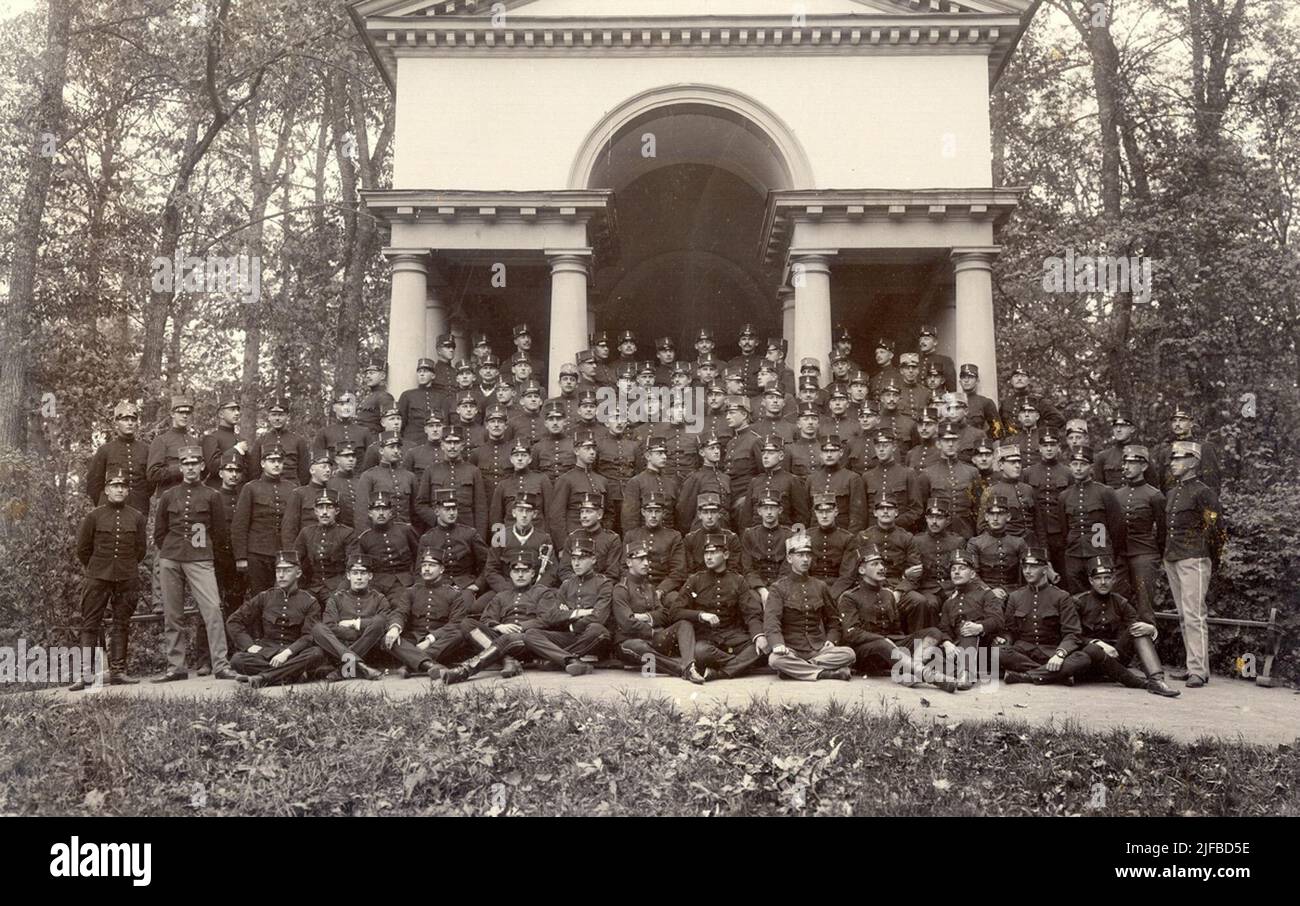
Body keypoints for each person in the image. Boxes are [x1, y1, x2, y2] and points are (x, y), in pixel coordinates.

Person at [152, 445, 239, 682]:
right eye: (186, 464)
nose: (190, 468)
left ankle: (220, 664)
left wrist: (209, 556)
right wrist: (171, 552)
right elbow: (159, 533)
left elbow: (220, 534)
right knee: (173, 614)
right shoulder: (169, 496)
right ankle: (175, 667)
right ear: (181, 467)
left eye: (194, 463)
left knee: (212, 610)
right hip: (171, 558)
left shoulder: (213, 496)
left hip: (201, 560)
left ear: (202, 466)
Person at [836, 544, 960, 692]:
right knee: (882, 644)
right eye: (875, 564)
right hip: (866, 654)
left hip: (891, 649)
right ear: (862, 570)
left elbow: (896, 629)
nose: (881, 567)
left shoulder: (888, 594)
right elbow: (851, 633)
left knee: (933, 632)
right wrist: (880, 639)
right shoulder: (849, 597)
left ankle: (910, 669)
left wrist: (907, 644)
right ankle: (931, 677)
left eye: (882, 563)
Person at [1057, 556, 1180, 696]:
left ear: (1114, 580)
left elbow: (1135, 626)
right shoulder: (1079, 602)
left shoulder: (1120, 602)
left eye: (1107, 578)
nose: (1103, 582)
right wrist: (1097, 643)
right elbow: (1071, 635)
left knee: (1138, 629)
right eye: (1098, 578)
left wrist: (1152, 630)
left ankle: (1157, 680)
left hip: (1116, 656)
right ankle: (1137, 682)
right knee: (1093, 649)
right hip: (1089, 660)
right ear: (1091, 581)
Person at [71, 469, 147, 689]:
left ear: (127, 490)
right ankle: (85, 674)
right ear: (106, 490)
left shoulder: (137, 517)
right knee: (89, 624)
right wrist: (98, 567)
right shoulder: (94, 516)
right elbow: (83, 549)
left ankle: (118, 671)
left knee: (121, 623)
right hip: (98, 576)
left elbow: (140, 550)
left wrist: (126, 566)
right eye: (115, 486)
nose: (119, 490)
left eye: (123, 486)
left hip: (126, 575)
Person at [1162, 441, 1226, 688]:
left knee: (1194, 614)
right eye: (1172, 459)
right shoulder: (1172, 493)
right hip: (1174, 557)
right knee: (1183, 615)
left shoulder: (1203, 492)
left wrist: (1210, 558)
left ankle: (1199, 670)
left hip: (1195, 558)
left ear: (1192, 463)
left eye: (1178, 459)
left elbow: (1216, 530)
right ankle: (1193, 668)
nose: (1173, 463)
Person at [440, 549, 546, 684]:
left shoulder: (542, 593)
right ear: (510, 574)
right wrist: (499, 626)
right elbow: (486, 619)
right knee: (467, 624)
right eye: (516, 571)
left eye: (525, 571)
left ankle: (465, 670)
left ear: (532, 573)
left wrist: (520, 627)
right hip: (501, 639)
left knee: (509, 638)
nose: (520, 575)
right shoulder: (502, 596)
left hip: (526, 640)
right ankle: (507, 659)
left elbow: (546, 619)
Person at [764, 531, 856, 681]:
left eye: (808, 555)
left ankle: (798, 669)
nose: (805, 559)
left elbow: (834, 620)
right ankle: (825, 673)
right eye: (800, 555)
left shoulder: (820, 586)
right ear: (789, 558)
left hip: (818, 649)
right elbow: (771, 621)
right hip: (791, 649)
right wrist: (778, 643)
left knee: (849, 654)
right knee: (775, 660)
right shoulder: (778, 588)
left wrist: (831, 640)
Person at [227, 550, 326, 688]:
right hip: (266, 652)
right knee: (237, 660)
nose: (281, 575)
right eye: (278, 570)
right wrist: (249, 646)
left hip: (293, 653)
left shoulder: (309, 602)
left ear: (298, 574)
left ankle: (264, 678)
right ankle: (290, 674)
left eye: (287, 571)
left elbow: (308, 636)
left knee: (316, 654)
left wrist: (286, 654)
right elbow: (234, 621)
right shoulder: (265, 597)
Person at [612, 540, 705, 683]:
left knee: (684, 624)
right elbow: (627, 624)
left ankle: (688, 664)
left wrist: (645, 617)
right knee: (638, 646)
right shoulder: (621, 589)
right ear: (629, 562)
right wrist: (652, 629)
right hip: (628, 642)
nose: (646, 563)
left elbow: (664, 615)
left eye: (647, 559)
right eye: (640, 559)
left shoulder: (649, 587)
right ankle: (682, 669)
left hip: (654, 638)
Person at [520, 537, 614, 675]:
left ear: (593, 559)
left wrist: (569, 621)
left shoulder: (604, 584)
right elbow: (553, 616)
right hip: (570, 636)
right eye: (573, 559)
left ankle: (555, 660)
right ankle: (571, 661)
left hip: (592, 638)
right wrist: (578, 613)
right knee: (531, 634)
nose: (576, 563)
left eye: (581, 559)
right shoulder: (567, 584)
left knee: (597, 629)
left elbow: (598, 617)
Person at [678, 534, 766, 681]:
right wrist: (700, 615)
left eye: (713, 552)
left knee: (762, 646)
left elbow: (751, 613)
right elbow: (676, 611)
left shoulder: (738, 580)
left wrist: (759, 635)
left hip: (733, 635)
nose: (708, 557)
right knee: (700, 652)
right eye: (706, 553)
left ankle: (719, 673)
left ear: (726, 554)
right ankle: (741, 664)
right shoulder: (695, 580)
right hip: (707, 638)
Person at [382, 548, 472, 678]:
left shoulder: (453, 594)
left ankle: (409, 665)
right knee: (389, 637)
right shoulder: (411, 592)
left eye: (432, 565)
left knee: (458, 634)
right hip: (413, 638)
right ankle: (430, 665)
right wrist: (395, 628)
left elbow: (456, 623)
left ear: (441, 569)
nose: (427, 569)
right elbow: (400, 612)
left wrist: (430, 640)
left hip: (439, 640)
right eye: (424, 565)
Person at [998, 548, 1081, 685]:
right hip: (1023, 652)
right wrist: (1005, 639)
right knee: (999, 652)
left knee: (1082, 658)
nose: (1027, 571)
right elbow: (1009, 630)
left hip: (1052, 651)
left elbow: (1072, 633)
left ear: (1045, 569)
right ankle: (1056, 675)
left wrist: (1060, 654)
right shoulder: (1015, 596)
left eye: (1033, 567)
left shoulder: (1061, 597)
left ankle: (1025, 676)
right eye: (1025, 567)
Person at [1058, 444, 1125, 593]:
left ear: (1091, 467)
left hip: (1099, 550)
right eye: (1075, 464)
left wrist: (1108, 552)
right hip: (1074, 553)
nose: (1078, 468)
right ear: (1070, 466)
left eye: (1083, 464)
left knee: (1103, 593)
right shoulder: (1065, 496)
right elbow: (1064, 528)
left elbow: (1116, 527)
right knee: (1077, 595)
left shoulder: (1105, 492)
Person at [309, 554, 387, 681]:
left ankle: (344, 669)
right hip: (339, 646)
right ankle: (360, 666)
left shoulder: (379, 598)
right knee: (318, 628)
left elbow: (384, 622)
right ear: (348, 575)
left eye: (363, 573)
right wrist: (356, 633)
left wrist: (356, 624)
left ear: (370, 576)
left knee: (379, 621)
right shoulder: (336, 598)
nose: (359, 577)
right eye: (355, 573)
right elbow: (329, 626)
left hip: (368, 649)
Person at [232, 444, 295, 597]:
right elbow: (240, 524)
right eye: (271, 460)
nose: (276, 464)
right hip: (257, 553)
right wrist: (241, 557)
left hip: (283, 554)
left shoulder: (292, 488)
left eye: (279, 461)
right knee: (259, 597)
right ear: (262, 463)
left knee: (283, 597)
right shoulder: (251, 488)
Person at [1113, 444, 1165, 623]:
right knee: (1117, 603)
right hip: (1121, 556)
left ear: (1143, 466)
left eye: (1132, 463)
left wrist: (1156, 554)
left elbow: (1163, 532)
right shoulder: (1116, 495)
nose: (1126, 467)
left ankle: (1148, 649)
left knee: (1145, 608)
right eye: (1124, 462)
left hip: (1145, 555)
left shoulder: (1154, 495)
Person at [899, 498, 964, 633]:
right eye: (931, 517)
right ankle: (927, 642)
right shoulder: (917, 540)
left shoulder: (957, 541)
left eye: (939, 517)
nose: (934, 522)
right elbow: (913, 569)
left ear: (947, 520)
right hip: (927, 588)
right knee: (930, 604)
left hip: (951, 587)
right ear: (926, 519)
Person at [349, 491, 421, 611]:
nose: (381, 513)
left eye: (384, 509)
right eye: (377, 509)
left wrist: (418, 581)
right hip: (377, 584)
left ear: (391, 512)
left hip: (403, 582)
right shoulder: (365, 538)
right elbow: (360, 565)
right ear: (370, 513)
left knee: (401, 605)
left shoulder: (405, 530)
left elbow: (419, 556)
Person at [418, 489, 490, 598]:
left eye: (454, 509)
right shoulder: (427, 538)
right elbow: (419, 571)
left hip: (466, 588)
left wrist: (477, 585)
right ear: (437, 511)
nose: (452, 513)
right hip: (438, 589)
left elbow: (488, 564)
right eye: (447, 509)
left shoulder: (470, 534)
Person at [416, 426, 486, 537]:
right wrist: (437, 519)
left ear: (462, 445)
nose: (452, 447)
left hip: (466, 530)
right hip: (438, 531)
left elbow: (480, 508)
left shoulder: (473, 471)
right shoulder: (431, 470)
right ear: (442, 445)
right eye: (448, 442)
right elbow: (420, 505)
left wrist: (479, 536)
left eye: (456, 442)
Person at [86, 400, 151, 515]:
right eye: (125, 419)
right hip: (110, 509)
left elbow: (151, 482)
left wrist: (141, 497)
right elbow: (94, 483)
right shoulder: (105, 450)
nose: (130, 423)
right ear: (116, 422)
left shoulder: (146, 449)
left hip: (139, 508)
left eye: (133, 420)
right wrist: (104, 503)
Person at [919, 422, 981, 538]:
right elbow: (922, 509)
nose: (950, 444)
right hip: (937, 534)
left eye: (954, 440)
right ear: (938, 444)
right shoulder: (927, 474)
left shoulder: (972, 472)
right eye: (946, 441)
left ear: (959, 443)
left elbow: (977, 508)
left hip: (965, 532)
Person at [293, 488, 353, 602]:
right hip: (313, 586)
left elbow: (351, 566)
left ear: (337, 510)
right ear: (315, 511)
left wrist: (340, 590)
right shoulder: (306, 532)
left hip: (337, 587)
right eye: (320, 508)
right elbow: (294, 560)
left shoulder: (347, 533)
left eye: (329, 507)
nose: (324, 512)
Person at [1025, 428, 1070, 574]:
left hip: (1060, 531)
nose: (1049, 449)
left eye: (1052, 445)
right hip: (1036, 531)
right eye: (1045, 445)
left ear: (1058, 447)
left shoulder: (1068, 473)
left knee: (1062, 571)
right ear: (1039, 448)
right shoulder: (1027, 473)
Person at [551, 429, 608, 542]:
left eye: (594, 448)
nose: (592, 452)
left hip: (598, 539)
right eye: (587, 448)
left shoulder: (602, 480)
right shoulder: (566, 480)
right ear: (576, 451)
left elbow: (609, 513)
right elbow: (557, 516)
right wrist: (562, 545)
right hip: (574, 538)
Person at [1152, 405, 1222, 495]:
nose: (1177, 424)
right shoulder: (1166, 451)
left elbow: (1212, 483)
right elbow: (1163, 484)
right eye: (1174, 420)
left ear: (1191, 423)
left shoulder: (1204, 447)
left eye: (1182, 420)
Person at [862, 431, 923, 532]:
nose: (881, 449)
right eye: (878, 446)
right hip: (873, 534)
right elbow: (862, 513)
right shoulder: (867, 476)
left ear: (894, 447)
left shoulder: (907, 473)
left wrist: (894, 523)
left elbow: (916, 509)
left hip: (900, 532)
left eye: (885, 446)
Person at [358, 430, 419, 529]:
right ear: (381, 451)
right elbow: (362, 512)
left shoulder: (409, 476)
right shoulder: (369, 476)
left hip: (405, 534)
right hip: (379, 533)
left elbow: (416, 511)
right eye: (391, 447)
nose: (396, 451)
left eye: (398, 447)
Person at [807, 434, 866, 533]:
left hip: (843, 535)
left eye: (833, 451)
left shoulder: (852, 478)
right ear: (820, 454)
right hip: (816, 536)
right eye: (825, 451)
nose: (829, 454)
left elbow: (857, 515)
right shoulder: (812, 479)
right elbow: (807, 512)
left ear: (841, 452)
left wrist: (850, 539)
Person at [146, 394, 199, 499]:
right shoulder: (161, 440)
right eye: (180, 412)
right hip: (170, 499)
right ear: (172, 414)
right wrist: (181, 469)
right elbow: (152, 474)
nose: (185, 416)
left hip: (194, 499)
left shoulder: (194, 441)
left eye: (188, 413)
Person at [251, 398, 311, 486]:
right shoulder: (261, 441)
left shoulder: (298, 440)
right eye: (274, 415)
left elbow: (304, 472)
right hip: (266, 487)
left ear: (287, 416)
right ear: (269, 417)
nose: (277, 418)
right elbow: (255, 470)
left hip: (292, 487)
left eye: (281, 415)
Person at [280, 449, 333, 548]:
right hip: (306, 550)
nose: (328, 470)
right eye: (324, 467)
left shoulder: (334, 494)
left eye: (330, 467)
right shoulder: (299, 494)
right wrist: (292, 555)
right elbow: (289, 528)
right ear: (312, 470)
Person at [398, 358, 448, 444]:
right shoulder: (407, 395)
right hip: (412, 440)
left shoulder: (441, 397)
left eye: (425, 371)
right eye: (419, 371)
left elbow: (445, 422)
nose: (422, 374)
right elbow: (401, 422)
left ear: (433, 376)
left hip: (435, 441)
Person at [313, 392, 373, 462]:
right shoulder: (324, 432)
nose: (346, 408)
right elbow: (318, 461)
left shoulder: (364, 431)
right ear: (334, 408)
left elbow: (371, 460)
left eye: (350, 404)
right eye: (342, 404)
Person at [201, 398, 248, 485]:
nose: (237, 413)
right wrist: (236, 450)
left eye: (237, 410)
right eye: (232, 410)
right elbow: (213, 467)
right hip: (219, 492)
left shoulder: (240, 439)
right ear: (221, 414)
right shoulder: (212, 438)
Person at [957, 364, 1000, 437]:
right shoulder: (953, 401)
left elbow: (997, 430)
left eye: (970, 377)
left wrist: (985, 441)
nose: (966, 380)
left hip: (977, 445)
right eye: (963, 377)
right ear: (960, 381)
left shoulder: (985, 402)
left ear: (977, 381)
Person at [327, 441, 363, 529]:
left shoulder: (361, 481)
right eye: (346, 456)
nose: (351, 459)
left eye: (353, 456)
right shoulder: (329, 483)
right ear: (337, 459)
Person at [357, 361, 394, 435]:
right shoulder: (368, 397)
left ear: (383, 376)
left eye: (371, 373)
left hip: (373, 440)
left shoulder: (384, 397)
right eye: (367, 373)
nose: (367, 376)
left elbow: (389, 424)